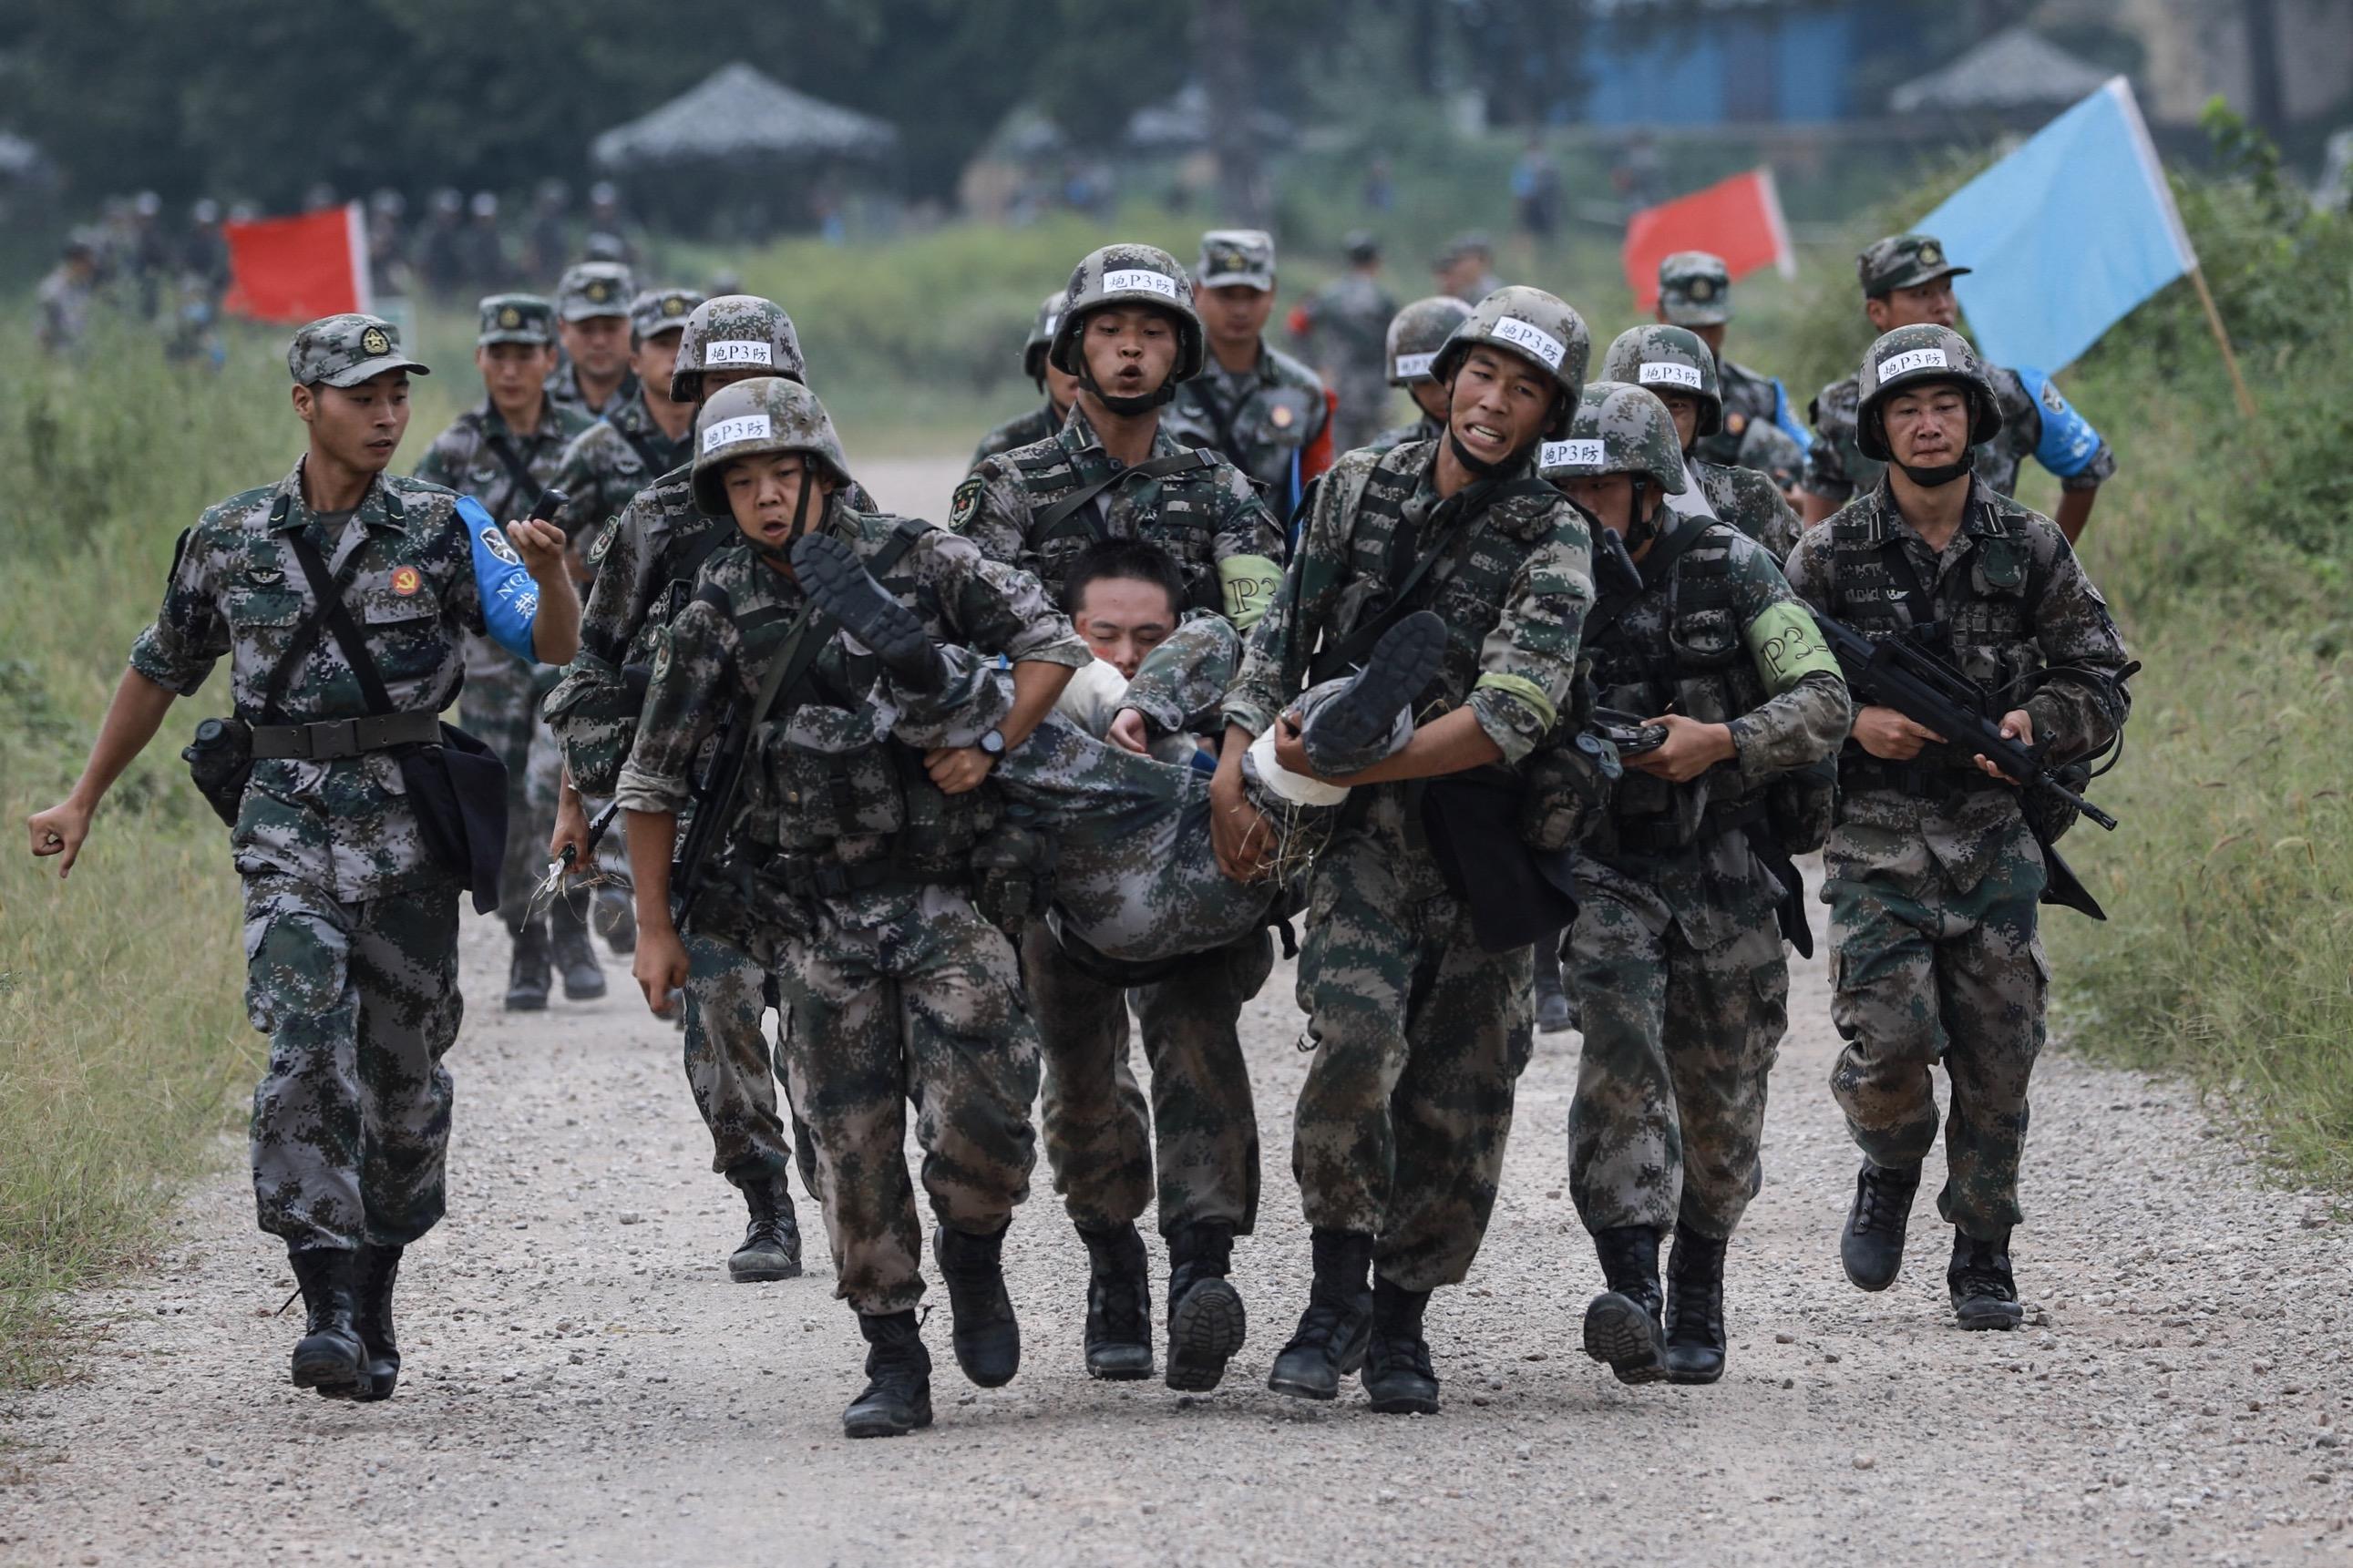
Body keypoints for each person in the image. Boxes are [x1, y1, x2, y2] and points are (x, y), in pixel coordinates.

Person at [26, 313, 580, 1400]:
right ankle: (323, 1294)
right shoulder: (230, 537)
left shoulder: (443, 523)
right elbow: (159, 668)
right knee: (303, 1035)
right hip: (283, 822)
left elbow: (550, 642)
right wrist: (85, 795)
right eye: (361, 394)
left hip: (409, 833)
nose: (385, 414)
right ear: (304, 402)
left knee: (403, 1079)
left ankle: (374, 1288)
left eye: (396, 396)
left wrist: (555, 573)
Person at [615, 376, 1090, 1439]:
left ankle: (974, 1248)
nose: (767, 498)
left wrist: (993, 743)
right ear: (719, 495)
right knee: (850, 1140)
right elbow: (652, 778)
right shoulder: (714, 609)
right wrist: (655, 927)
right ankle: (891, 1353)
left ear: (821, 474)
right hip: (814, 913)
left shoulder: (918, 558)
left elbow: (1052, 643)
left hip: (941, 891)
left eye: (782, 474)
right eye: (742, 482)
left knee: (987, 1117)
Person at [1218, 285, 1597, 1415]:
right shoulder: (1356, 489)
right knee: (1354, 1039)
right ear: (1447, 376)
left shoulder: (1555, 532)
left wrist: (1342, 763)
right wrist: (1236, 768)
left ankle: (1400, 1318)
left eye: (1523, 390)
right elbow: (1277, 637)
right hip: (1359, 844)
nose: (1493, 403)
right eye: (1482, 375)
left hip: (1484, 834)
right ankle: (1332, 1292)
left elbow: (1513, 709)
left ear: (1546, 412)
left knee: (1461, 1088)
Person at [954, 242, 1288, 1393]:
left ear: (1180, 353)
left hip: (1195, 808)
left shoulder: (1222, 489)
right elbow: (964, 630)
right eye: (1109, 331)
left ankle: (1201, 1265)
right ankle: (1112, 1263)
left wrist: (1218, 751)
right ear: (1073, 352)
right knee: (1078, 1060)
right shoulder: (1003, 487)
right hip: (1051, 824)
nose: (1130, 347)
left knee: (1199, 1035)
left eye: (1151, 331)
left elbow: (1264, 629)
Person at [1783, 325, 2132, 1331]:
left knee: (1997, 1051)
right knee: (1886, 1041)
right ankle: (1888, 1163)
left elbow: (2097, 679)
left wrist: (2035, 725)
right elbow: (1766, 691)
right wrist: (1856, 720)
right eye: (1904, 408)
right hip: (1874, 832)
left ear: (1973, 422)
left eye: (1943, 405)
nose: (1926, 422)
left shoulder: (2026, 544)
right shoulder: (1826, 554)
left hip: (1991, 829)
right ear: (1876, 428)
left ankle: (1981, 1247)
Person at [1540, 382, 1848, 1387]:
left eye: (1604, 485)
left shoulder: (1730, 564)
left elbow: (1821, 697)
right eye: (1569, 483)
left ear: (1647, 485)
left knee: (1721, 1098)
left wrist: (1720, 740)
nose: (1583, 504)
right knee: (1621, 1048)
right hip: (1599, 864)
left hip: (1721, 859)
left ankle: (1699, 1271)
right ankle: (1630, 1281)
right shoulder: (1530, 572)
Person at [543, 293, 846, 1285]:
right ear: (688, 396)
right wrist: (598, 796)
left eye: (765, 386)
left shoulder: (843, 511)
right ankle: (763, 1197)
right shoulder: (657, 519)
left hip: (819, 826)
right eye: (718, 386)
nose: (743, 405)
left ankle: (832, 1163)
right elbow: (591, 672)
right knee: (716, 1014)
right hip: (695, 823)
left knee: (828, 1017)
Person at [412, 295, 599, 1010]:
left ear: (552, 359)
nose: (513, 368)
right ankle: (529, 945)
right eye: (500, 354)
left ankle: (574, 924)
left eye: (527, 355)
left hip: (570, 645)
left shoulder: (588, 441)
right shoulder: (455, 449)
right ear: (482, 360)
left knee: (569, 786)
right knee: (508, 802)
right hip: (490, 654)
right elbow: (425, 543)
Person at [540, 284, 706, 951]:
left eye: (687, 347)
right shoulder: (603, 453)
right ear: (637, 358)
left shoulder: (782, 467)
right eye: (663, 344)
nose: (677, 361)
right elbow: (544, 538)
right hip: (636, 679)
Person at [1800, 234, 2115, 544]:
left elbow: (2089, 465)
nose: (1941, 306)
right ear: (1878, 312)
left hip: (1991, 586)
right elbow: (1816, 525)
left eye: (1946, 289)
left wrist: (2047, 564)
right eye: (1921, 293)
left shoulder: (2007, 389)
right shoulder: (1843, 405)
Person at [1162, 229, 1332, 519]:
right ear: (1198, 292)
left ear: (1272, 294)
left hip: (1270, 559)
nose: (1240, 310)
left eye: (1252, 295)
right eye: (1226, 295)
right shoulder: (1164, 379)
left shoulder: (1304, 392)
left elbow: (1315, 496)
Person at [1600, 324, 1803, 561]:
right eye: (1641, 404)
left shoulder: (1750, 497)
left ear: (1702, 416)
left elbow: (1797, 592)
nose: (1658, 419)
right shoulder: (1578, 495)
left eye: (1677, 406)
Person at [1653, 251, 1811, 497]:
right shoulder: (1628, 389)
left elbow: (1809, 463)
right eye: (1689, 326)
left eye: (1710, 325)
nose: (1701, 337)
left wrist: (1794, 499)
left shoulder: (1763, 394)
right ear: (1661, 314)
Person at [1287, 231, 1397, 456]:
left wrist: (1313, 365)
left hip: (1337, 386)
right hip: (1374, 392)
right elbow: (1399, 340)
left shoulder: (1328, 296)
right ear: (1376, 261)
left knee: (1336, 456)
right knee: (1375, 457)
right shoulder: (1384, 299)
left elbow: (1295, 326)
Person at [970, 293, 1080, 468]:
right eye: (1061, 355)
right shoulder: (1004, 447)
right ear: (1040, 367)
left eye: (1084, 353)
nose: (1074, 369)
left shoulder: (1136, 444)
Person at [1363, 295, 1474, 456]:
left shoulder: (1514, 445)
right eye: (1423, 383)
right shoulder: (1389, 454)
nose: (1440, 395)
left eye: (1448, 377)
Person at [546, 261, 640, 417]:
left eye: (611, 328)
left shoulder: (657, 401)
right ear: (562, 329)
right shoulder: (541, 405)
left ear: (632, 326)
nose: (599, 341)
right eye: (586, 329)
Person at [35, 232, 99, 354]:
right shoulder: (52, 289)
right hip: (59, 358)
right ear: (75, 262)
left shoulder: (82, 287)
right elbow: (44, 331)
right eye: (88, 262)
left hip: (80, 355)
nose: (92, 267)